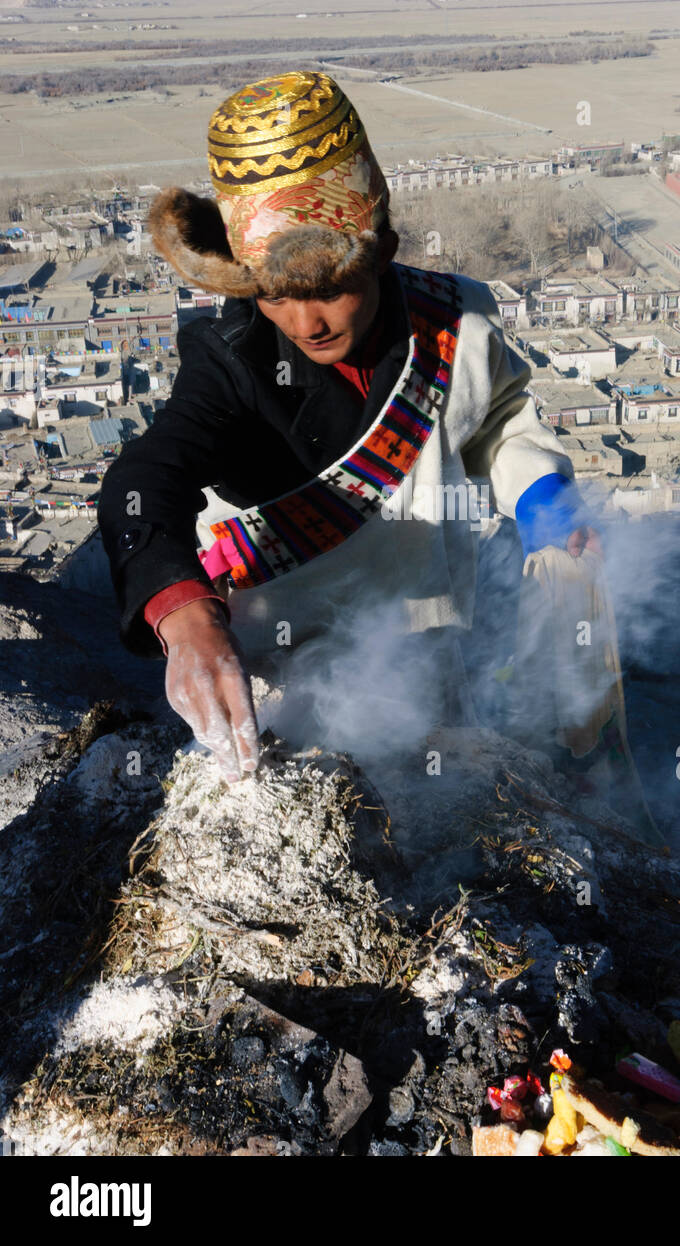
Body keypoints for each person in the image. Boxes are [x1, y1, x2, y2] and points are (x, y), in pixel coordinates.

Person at [97, 71, 596, 782]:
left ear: (380, 250)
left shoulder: (455, 321)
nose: (309, 323)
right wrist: (182, 614)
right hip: (279, 671)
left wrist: (542, 494)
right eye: (275, 296)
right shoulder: (231, 360)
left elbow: (501, 421)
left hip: (426, 643)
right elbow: (148, 478)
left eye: (331, 287)